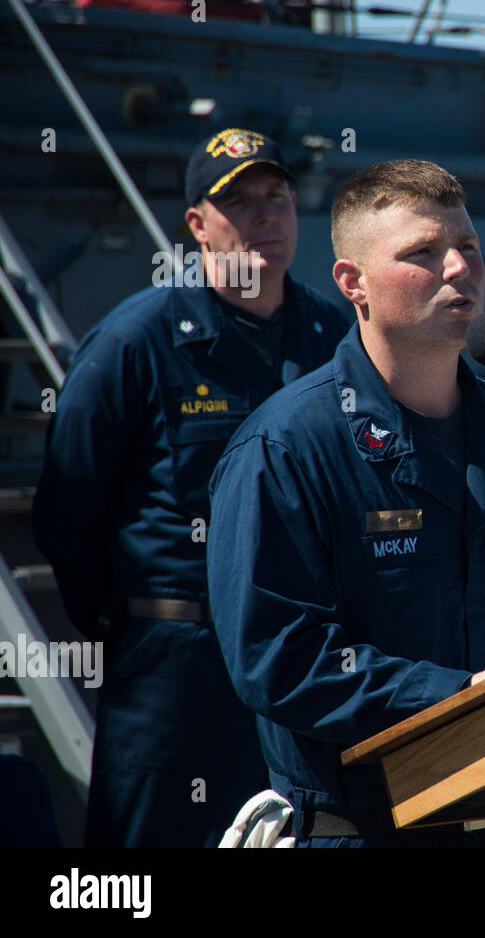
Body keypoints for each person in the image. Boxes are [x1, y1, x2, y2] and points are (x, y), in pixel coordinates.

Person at [205, 159, 485, 847]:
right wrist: (458, 699)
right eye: (422, 253)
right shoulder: (287, 449)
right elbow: (277, 655)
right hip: (368, 830)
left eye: (469, 248)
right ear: (352, 283)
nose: (459, 268)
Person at [32, 128, 351, 847]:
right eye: (238, 201)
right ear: (197, 225)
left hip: (305, 663)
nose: (265, 215)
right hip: (178, 669)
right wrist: (144, 626)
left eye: (277, 197)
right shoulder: (135, 343)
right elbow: (66, 513)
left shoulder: (337, 336)